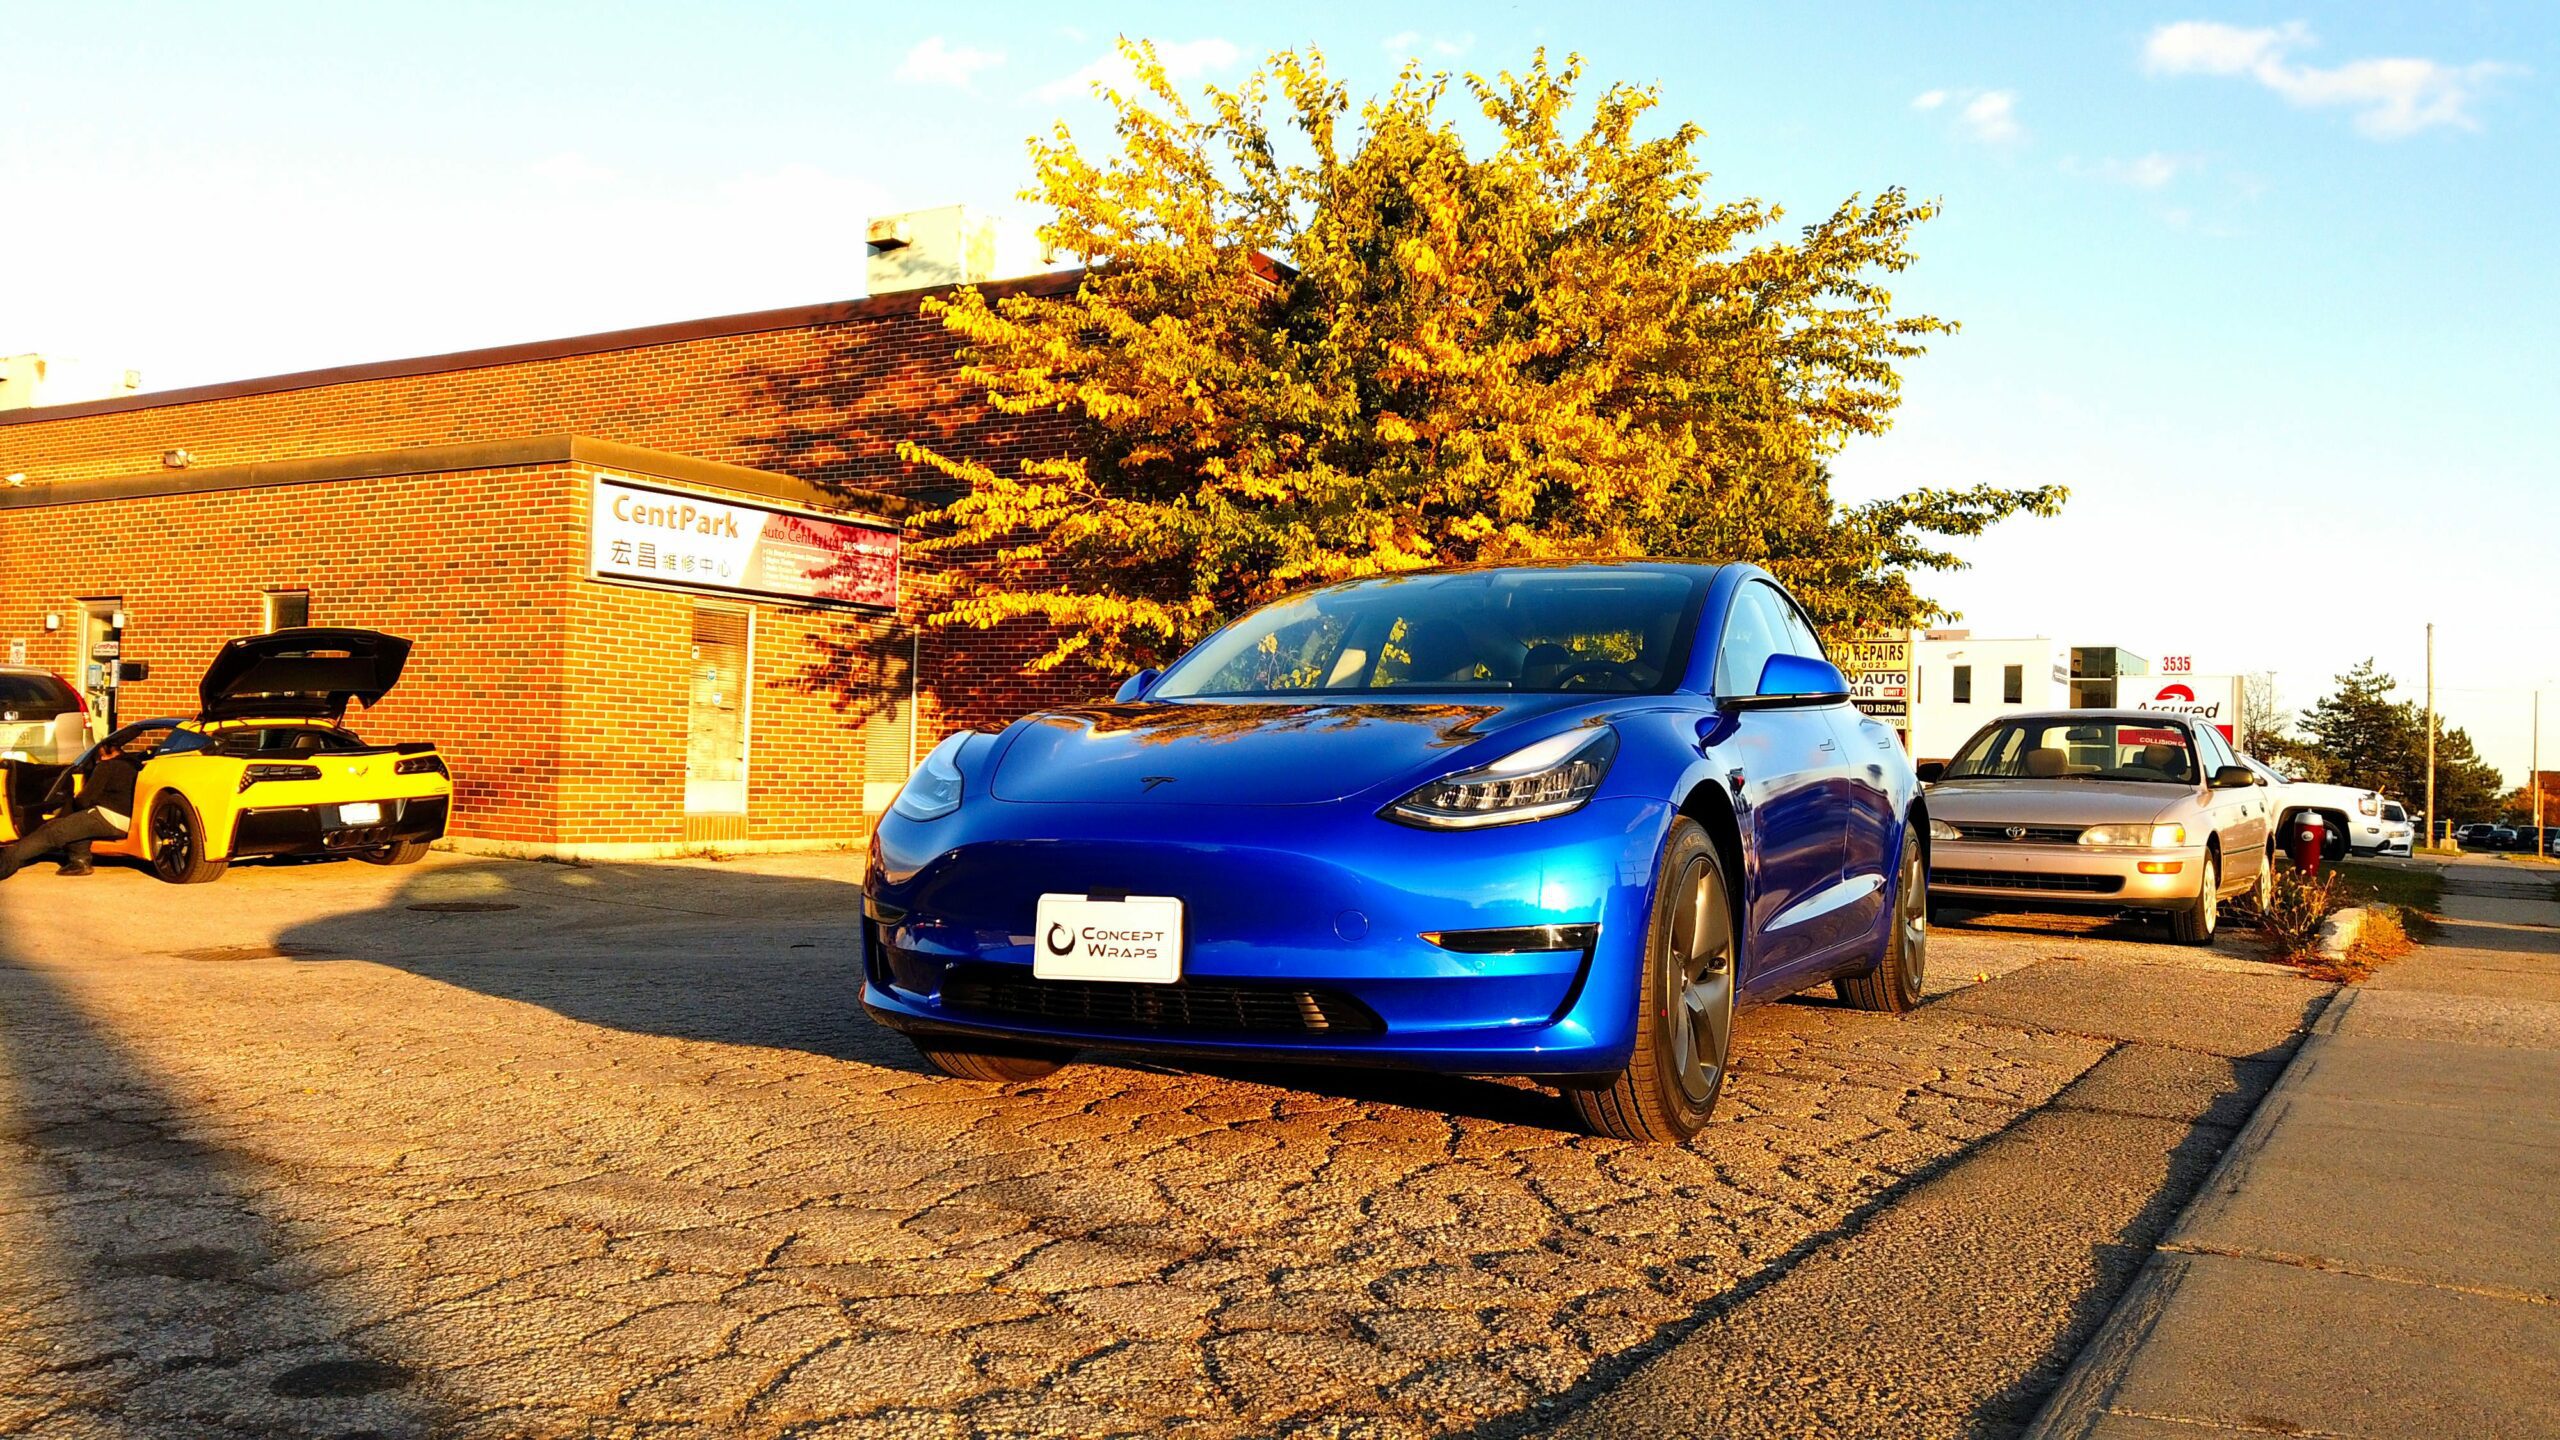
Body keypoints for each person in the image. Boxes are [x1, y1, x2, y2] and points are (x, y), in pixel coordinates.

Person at [0, 742, 141, 880]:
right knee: (76, 826)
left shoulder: (107, 766)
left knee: (52, 831)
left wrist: (78, 796)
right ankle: (79, 861)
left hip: (107, 817)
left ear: (104, 751)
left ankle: (6, 860)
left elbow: (84, 801)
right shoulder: (135, 766)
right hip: (129, 821)